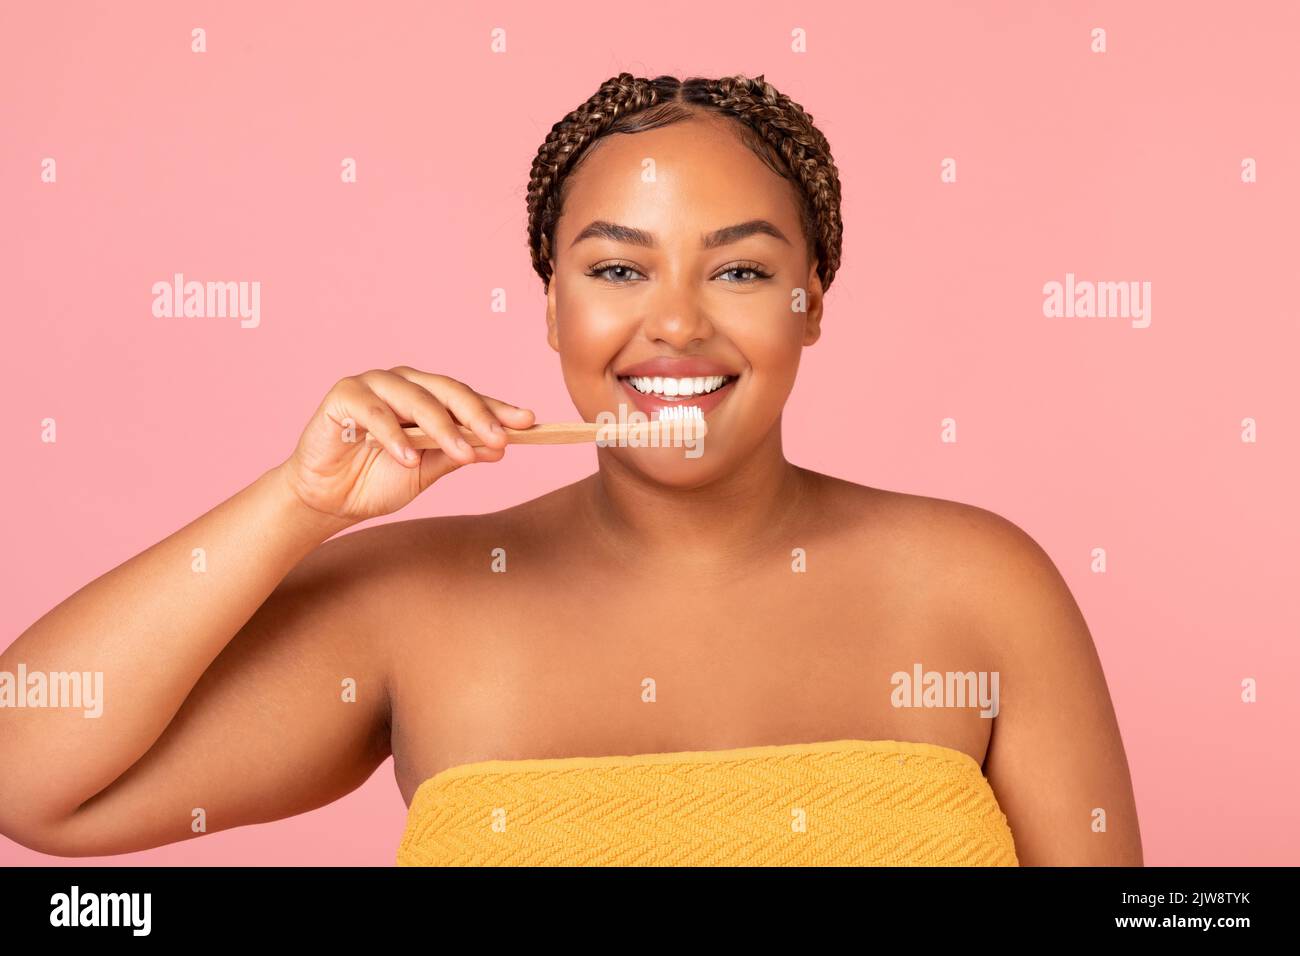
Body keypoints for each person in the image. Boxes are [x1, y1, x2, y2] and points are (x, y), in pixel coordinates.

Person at [0, 72, 1142, 866]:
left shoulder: (980, 583)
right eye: (616, 269)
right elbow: (33, 778)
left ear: (811, 305)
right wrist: (294, 505)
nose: (676, 325)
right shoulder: (415, 599)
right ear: (551, 304)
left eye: (739, 272)